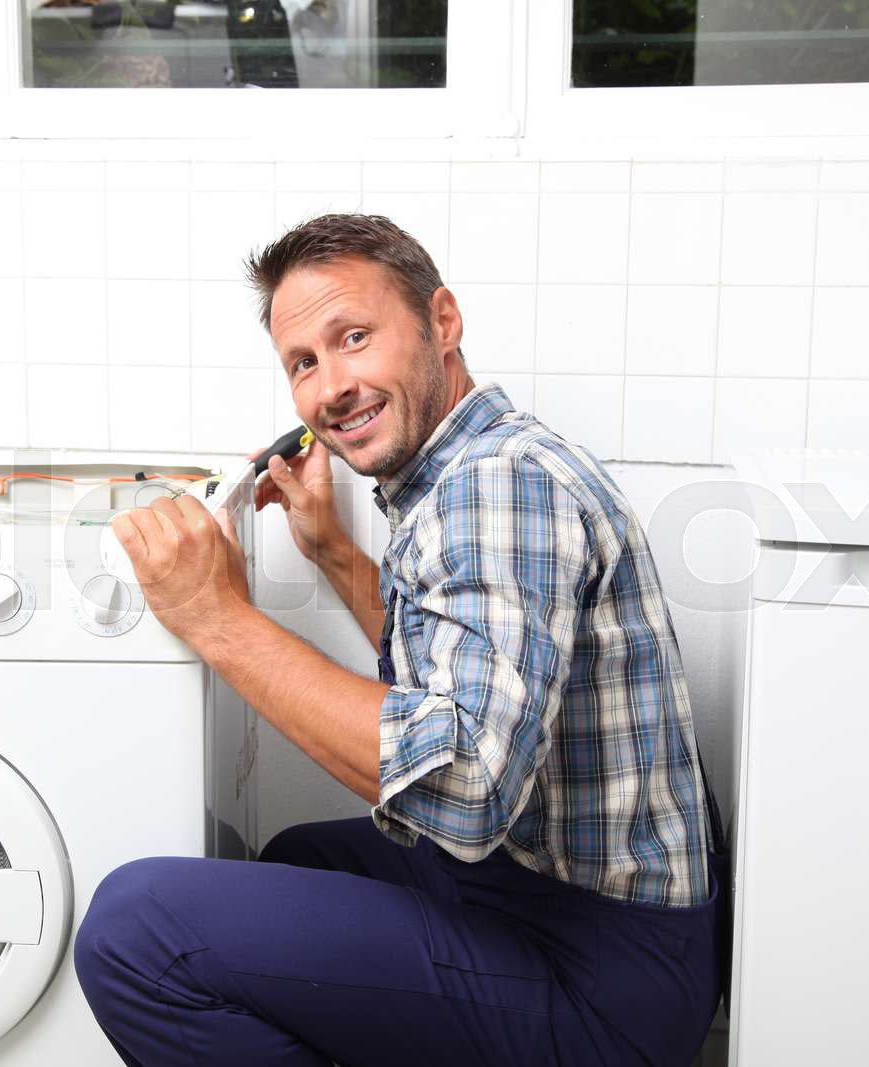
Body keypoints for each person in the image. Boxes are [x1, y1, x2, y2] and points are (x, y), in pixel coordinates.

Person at [74, 213, 726, 1066]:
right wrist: (333, 552)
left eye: (353, 337)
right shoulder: (466, 467)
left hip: (605, 982)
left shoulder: (498, 487)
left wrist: (214, 616)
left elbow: (466, 786)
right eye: (303, 363)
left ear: (441, 322)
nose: (331, 386)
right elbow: (468, 667)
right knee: (298, 859)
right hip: (560, 908)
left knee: (135, 928)